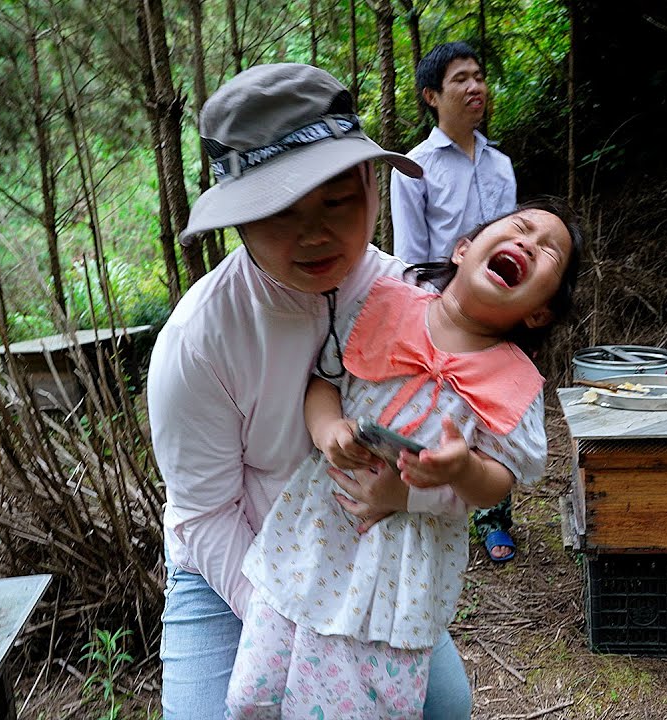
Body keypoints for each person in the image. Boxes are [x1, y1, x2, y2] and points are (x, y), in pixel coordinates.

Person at [147, 63, 472, 720]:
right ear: (237, 220)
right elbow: (206, 513)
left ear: (371, 189)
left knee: (445, 708)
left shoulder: (412, 308)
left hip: (365, 556)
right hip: (229, 569)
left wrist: (410, 495)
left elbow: (456, 463)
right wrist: (296, 629)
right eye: (281, 214)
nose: (316, 234)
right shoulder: (200, 339)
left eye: (335, 201)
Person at [227, 201, 583, 717]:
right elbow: (324, 382)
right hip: (319, 526)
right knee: (252, 694)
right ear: (463, 250)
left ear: (539, 311)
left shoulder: (515, 382)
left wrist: (459, 471)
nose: (529, 242)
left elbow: (499, 482)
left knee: (348, 704)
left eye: (548, 250)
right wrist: (328, 429)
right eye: (521, 227)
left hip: (397, 565)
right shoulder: (384, 304)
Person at [391, 40, 522, 564]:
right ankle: (429, 506)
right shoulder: (414, 168)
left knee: (496, 411)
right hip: (441, 308)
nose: (475, 88)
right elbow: (409, 254)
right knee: (444, 413)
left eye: (479, 77)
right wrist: (428, 319)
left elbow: (516, 243)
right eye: (460, 80)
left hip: (501, 306)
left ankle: (494, 520)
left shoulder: (501, 165)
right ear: (431, 95)